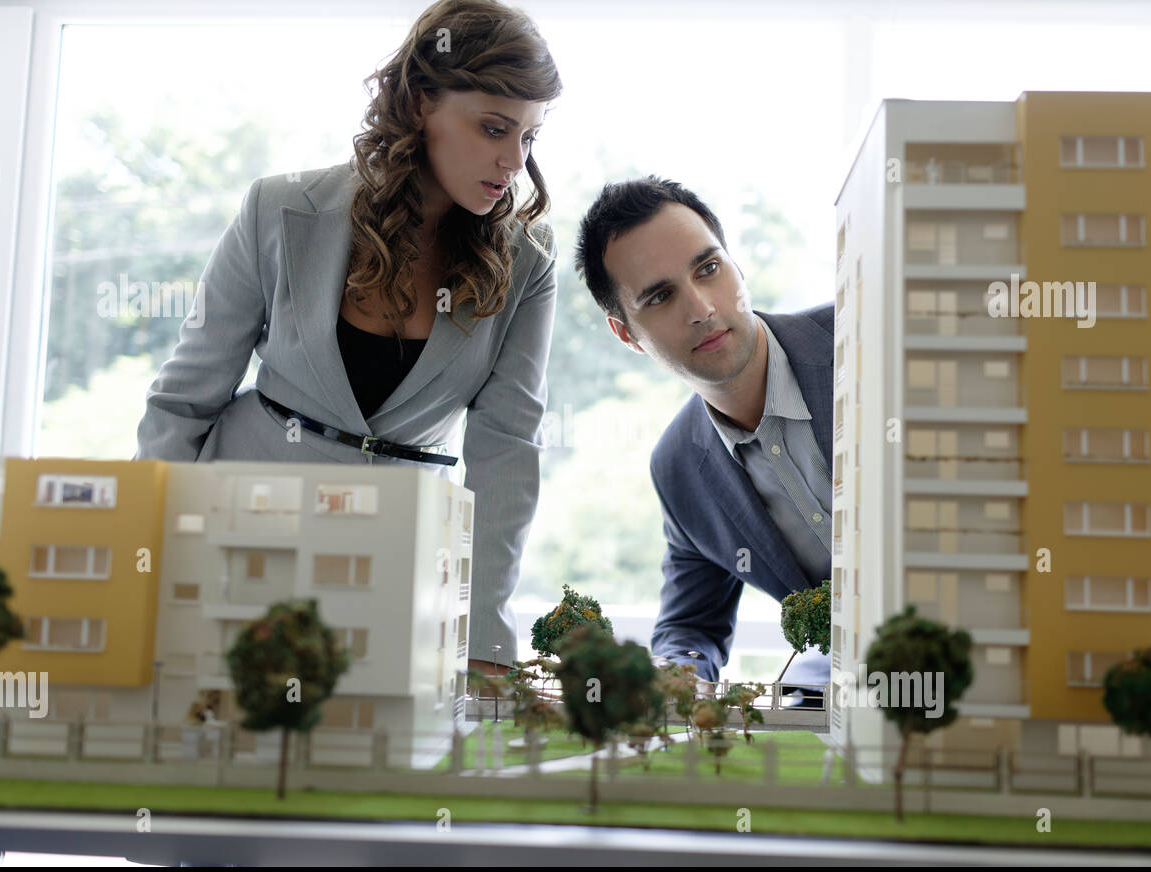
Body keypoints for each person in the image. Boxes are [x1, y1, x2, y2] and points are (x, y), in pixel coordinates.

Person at [135, 0, 562, 677]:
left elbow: (507, 453)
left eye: (531, 138)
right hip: (236, 530)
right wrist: (147, 562)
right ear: (422, 101)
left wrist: (484, 641)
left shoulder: (528, 263)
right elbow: (184, 401)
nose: (515, 160)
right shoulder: (278, 210)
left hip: (396, 562)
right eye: (493, 128)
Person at [574, 176, 833, 695]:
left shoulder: (865, 337)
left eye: (708, 268)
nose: (701, 309)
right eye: (661, 296)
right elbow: (691, 628)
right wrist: (674, 677)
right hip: (860, 696)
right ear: (627, 334)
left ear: (735, 263)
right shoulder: (677, 467)